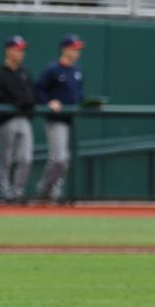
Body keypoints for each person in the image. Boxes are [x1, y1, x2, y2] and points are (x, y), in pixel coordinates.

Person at [34, 34, 86, 203]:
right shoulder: (53, 69)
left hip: (70, 119)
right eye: (74, 48)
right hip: (55, 119)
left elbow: (79, 94)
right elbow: (39, 90)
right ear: (64, 49)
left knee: (65, 160)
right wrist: (48, 102)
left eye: (78, 49)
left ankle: (53, 192)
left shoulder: (77, 71)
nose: (77, 52)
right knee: (59, 158)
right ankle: (45, 190)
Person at [0, 36, 34, 203]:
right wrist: (19, 98)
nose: (20, 53)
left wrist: (19, 98)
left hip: (24, 119)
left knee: (26, 159)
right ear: (8, 50)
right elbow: (0, 98)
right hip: (6, 121)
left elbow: (31, 97)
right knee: (5, 158)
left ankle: (17, 193)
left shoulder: (25, 73)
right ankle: (4, 194)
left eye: (22, 50)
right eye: (17, 49)